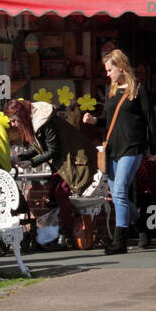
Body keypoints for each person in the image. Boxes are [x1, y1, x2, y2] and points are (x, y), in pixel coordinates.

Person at [82, 49, 156, 254]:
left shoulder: (139, 90)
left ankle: (120, 242)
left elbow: (151, 120)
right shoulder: (112, 91)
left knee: (120, 192)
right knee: (117, 196)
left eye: (110, 70)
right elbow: (108, 119)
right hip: (114, 148)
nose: (107, 74)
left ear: (121, 67)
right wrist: (94, 121)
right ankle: (141, 224)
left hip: (132, 147)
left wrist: (152, 147)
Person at [6, 98, 91, 249]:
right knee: (53, 195)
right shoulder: (35, 122)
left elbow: (53, 150)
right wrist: (20, 157)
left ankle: (65, 236)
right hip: (62, 163)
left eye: (13, 120)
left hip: (71, 160)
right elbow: (38, 147)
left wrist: (31, 162)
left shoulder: (45, 122)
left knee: (61, 195)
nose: (12, 124)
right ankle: (55, 233)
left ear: (21, 116)